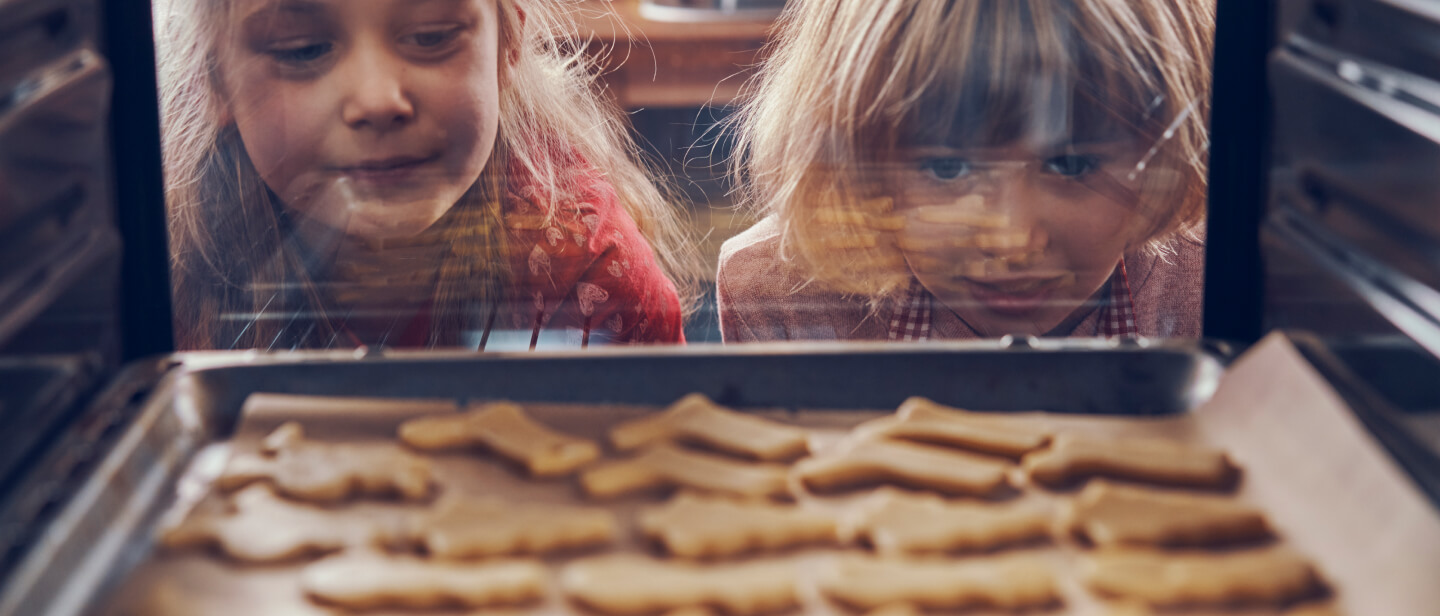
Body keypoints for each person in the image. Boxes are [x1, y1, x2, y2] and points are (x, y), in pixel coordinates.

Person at [155, 0, 699, 350]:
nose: (377, 100)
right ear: (217, 80)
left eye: (431, 35)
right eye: (304, 49)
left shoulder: (588, 268)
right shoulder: (163, 272)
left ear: (507, 46)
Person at [718, 0, 1213, 342]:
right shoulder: (776, 295)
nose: (1011, 241)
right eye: (947, 168)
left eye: (1071, 164)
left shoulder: (1220, 282)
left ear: (1165, 150)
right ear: (852, 153)